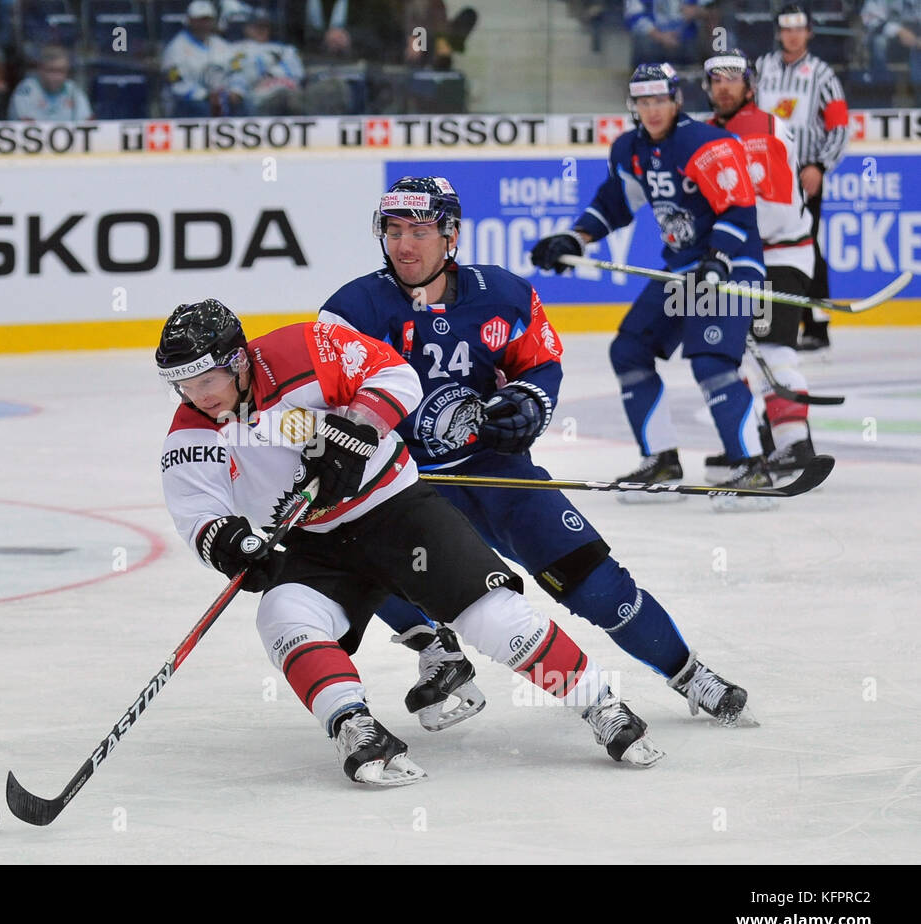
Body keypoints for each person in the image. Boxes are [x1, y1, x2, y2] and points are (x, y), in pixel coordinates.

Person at [157, 300, 666, 785]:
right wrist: (228, 543)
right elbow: (199, 511)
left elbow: (395, 373)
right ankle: (353, 725)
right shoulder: (191, 430)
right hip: (314, 541)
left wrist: (354, 430)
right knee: (283, 617)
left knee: (492, 617)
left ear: (239, 359)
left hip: (394, 511)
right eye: (183, 385)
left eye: (206, 380)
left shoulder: (303, 349)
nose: (199, 396)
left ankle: (600, 703)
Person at [320, 175, 754, 733]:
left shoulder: (501, 293)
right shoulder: (352, 308)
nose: (404, 245)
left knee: (597, 585)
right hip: (409, 488)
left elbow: (540, 366)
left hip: (497, 472)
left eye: (420, 230)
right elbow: (325, 396)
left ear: (450, 234)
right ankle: (439, 649)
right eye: (394, 230)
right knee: (357, 551)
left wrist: (527, 404)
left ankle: (690, 675)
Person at [532, 63, 771, 492]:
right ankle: (661, 458)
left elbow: (739, 208)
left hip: (730, 268)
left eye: (660, 99)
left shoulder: (707, 144)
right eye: (644, 101)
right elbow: (617, 202)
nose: (653, 109)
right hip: (682, 274)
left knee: (711, 360)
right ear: (634, 105)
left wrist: (716, 260)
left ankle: (751, 465)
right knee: (629, 350)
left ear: (677, 100)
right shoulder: (631, 149)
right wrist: (575, 237)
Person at [704, 49, 818, 478]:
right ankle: (756, 440)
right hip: (740, 260)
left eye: (733, 78)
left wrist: (718, 242)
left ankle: (795, 445)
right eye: (716, 79)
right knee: (727, 354)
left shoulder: (760, 128)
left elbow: (770, 211)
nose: (724, 86)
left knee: (773, 350)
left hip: (777, 255)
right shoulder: (711, 130)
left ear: (750, 86)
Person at [754, 3, 850, 353]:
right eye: (786, 28)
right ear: (778, 32)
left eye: (799, 28)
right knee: (763, 247)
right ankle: (766, 321)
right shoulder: (761, 69)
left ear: (809, 32)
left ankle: (817, 324)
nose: (792, 35)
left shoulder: (822, 74)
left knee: (806, 247)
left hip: (803, 173)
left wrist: (820, 166)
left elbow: (839, 127)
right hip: (763, 176)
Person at [161, 0, 241, 117]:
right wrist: (206, 96)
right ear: (189, 20)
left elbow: (237, 70)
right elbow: (177, 84)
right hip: (189, 103)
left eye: (207, 20)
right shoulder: (175, 48)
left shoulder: (222, 45)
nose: (203, 24)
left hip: (222, 98)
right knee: (201, 107)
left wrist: (236, 91)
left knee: (244, 103)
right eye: (199, 20)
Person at [227, 8, 305, 116]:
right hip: (261, 96)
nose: (261, 30)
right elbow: (238, 74)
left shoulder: (285, 49)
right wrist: (237, 89)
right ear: (247, 28)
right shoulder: (238, 49)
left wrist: (271, 73)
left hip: (289, 93)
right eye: (256, 26)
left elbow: (297, 72)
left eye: (264, 26)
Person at [7, 46, 91, 122]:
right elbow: (25, 123)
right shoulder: (27, 89)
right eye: (51, 70)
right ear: (40, 69)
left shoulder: (73, 89)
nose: (57, 76)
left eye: (61, 71)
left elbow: (87, 122)